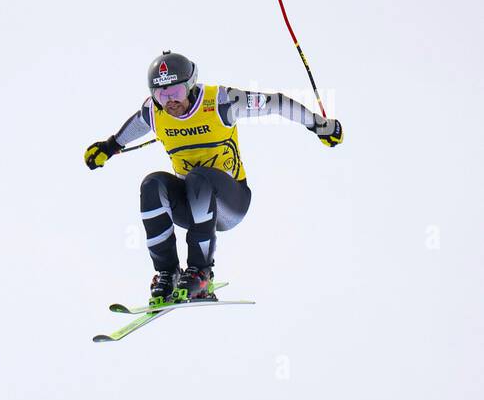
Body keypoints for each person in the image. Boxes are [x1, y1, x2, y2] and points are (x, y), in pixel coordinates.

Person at [85, 50, 343, 303]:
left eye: (176, 92)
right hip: (192, 208)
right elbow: (134, 127)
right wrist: (108, 147)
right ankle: (168, 274)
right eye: (161, 94)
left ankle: (201, 273)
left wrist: (317, 124)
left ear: (191, 85)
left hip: (230, 203)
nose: (170, 101)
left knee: (198, 178)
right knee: (152, 184)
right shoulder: (153, 111)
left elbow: (276, 103)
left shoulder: (221, 102)